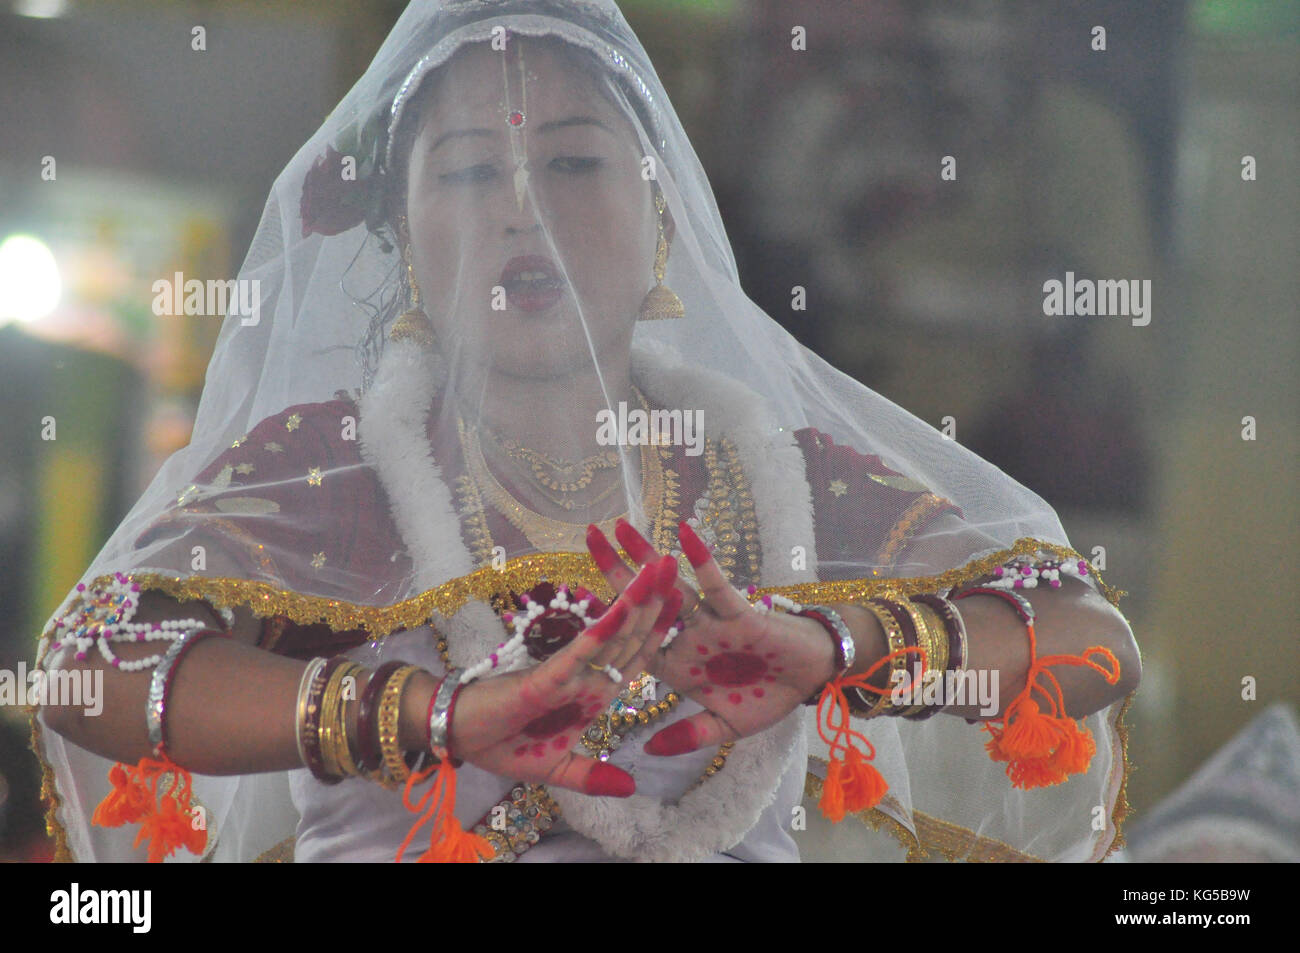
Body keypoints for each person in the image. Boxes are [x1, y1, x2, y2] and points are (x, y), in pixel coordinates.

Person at [34, 0, 1139, 863]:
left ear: (664, 216)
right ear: (408, 242)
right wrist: (431, 714)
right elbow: (87, 663)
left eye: (571, 162)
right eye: (467, 170)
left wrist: (834, 651)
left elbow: (1090, 637)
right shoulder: (339, 468)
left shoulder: (767, 476)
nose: (521, 207)